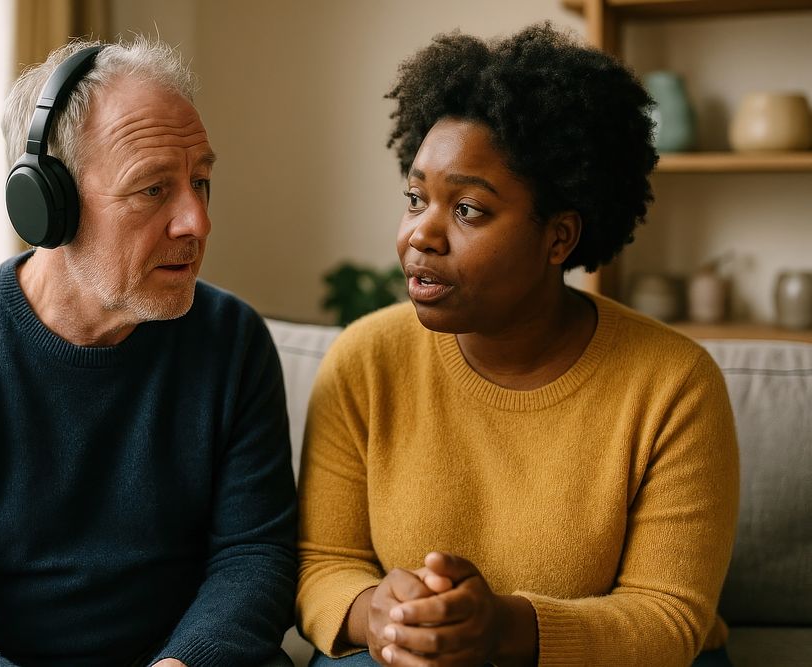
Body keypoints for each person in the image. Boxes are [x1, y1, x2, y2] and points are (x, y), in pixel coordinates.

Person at [0, 37, 297, 667]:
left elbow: (256, 554)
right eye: (153, 189)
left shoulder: (233, 340)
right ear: (48, 206)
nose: (197, 221)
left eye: (200, 181)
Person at [296, 24, 739, 667]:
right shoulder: (364, 362)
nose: (422, 233)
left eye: (468, 209)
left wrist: (502, 628)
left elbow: (667, 618)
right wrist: (378, 613)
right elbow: (323, 564)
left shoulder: (674, 384)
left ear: (558, 239)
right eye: (416, 198)